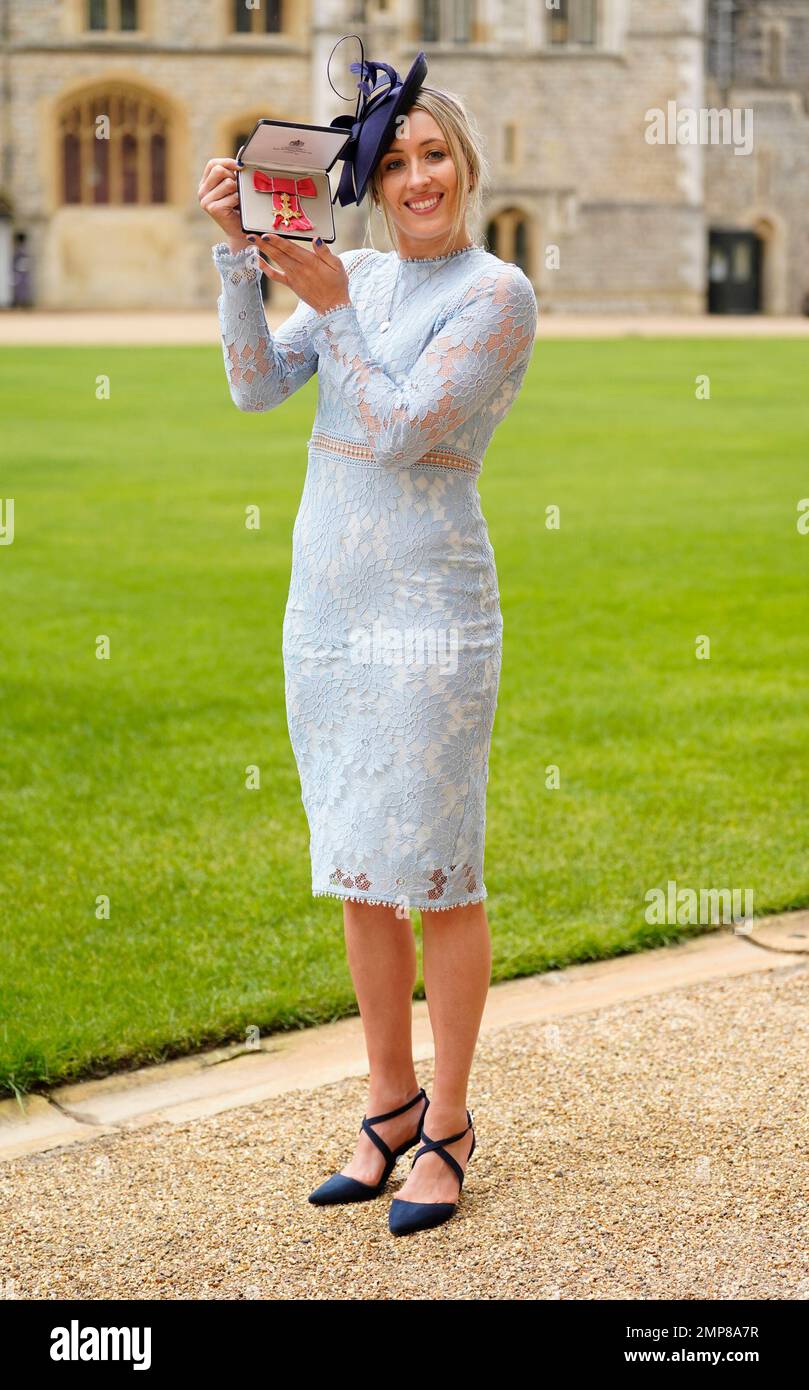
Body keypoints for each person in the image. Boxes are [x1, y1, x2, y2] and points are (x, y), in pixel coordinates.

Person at [198, 43, 537, 1237]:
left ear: (464, 164)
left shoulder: (496, 295)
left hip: (430, 614)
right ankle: (385, 1102)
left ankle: (447, 1123)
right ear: (369, 181)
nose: (415, 177)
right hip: (328, 609)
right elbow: (252, 386)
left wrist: (331, 305)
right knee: (355, 860)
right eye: (392, 161)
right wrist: (243, 264)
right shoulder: (356, 277)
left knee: (436, 871)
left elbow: (397, 430)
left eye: (431, 153)